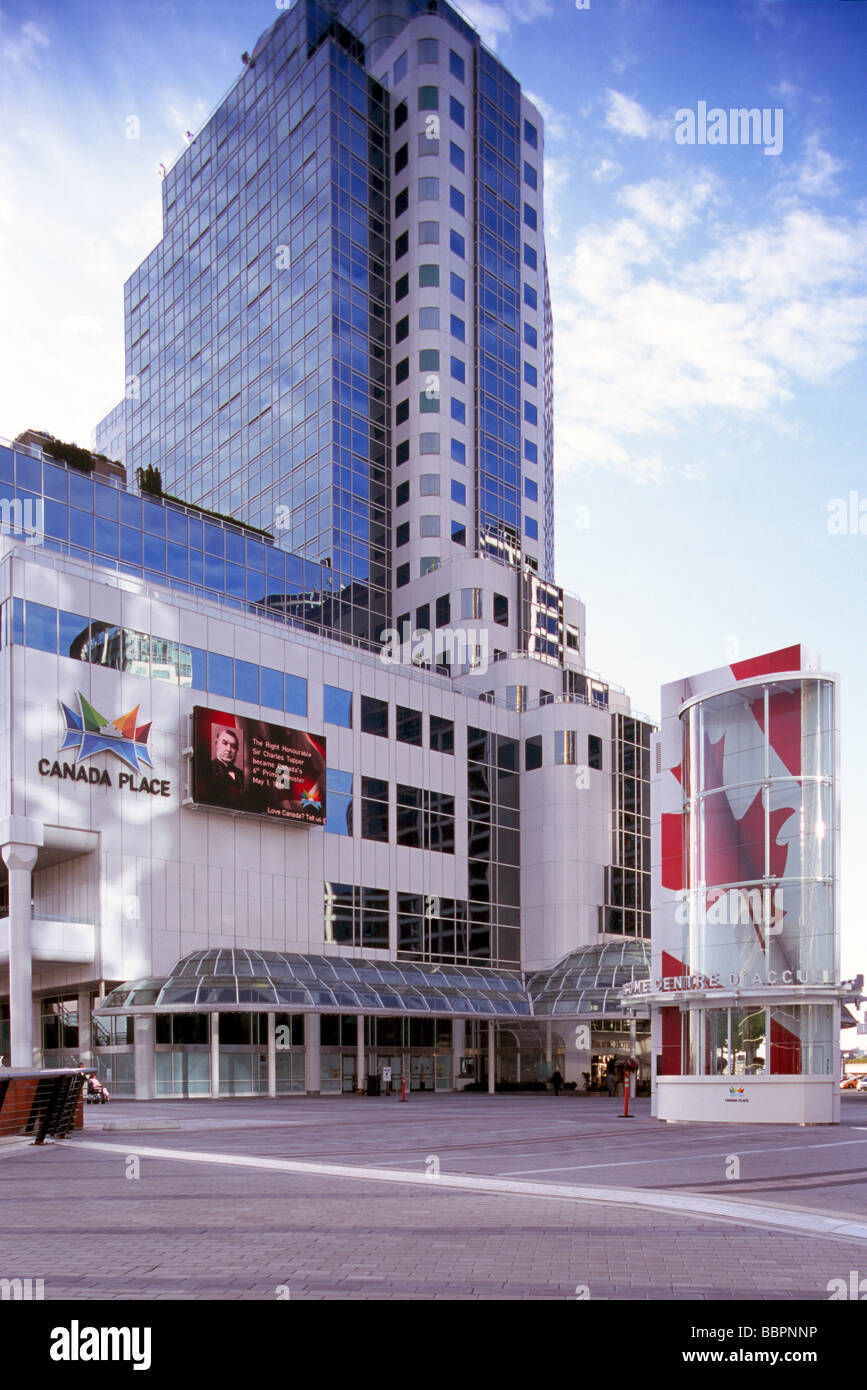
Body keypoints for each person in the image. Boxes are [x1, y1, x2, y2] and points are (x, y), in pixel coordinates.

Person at [206, 727, 245, 802]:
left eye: (233, 746)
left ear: (236, 750)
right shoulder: (208, 768)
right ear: (216, 744)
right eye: (225, 743)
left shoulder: (242, 775)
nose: (229, 749)